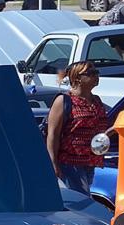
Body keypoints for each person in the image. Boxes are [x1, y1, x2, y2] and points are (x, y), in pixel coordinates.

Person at [46, 62, 109, 194]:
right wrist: (53, 163)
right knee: (82, 200)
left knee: (85, 198)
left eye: (96, 72)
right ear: (77, 78)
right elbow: (53, 135)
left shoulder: (96, 100)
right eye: (91, 73)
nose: (96, 76)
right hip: (70, 163)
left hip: (91, 161)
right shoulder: (64, 100)